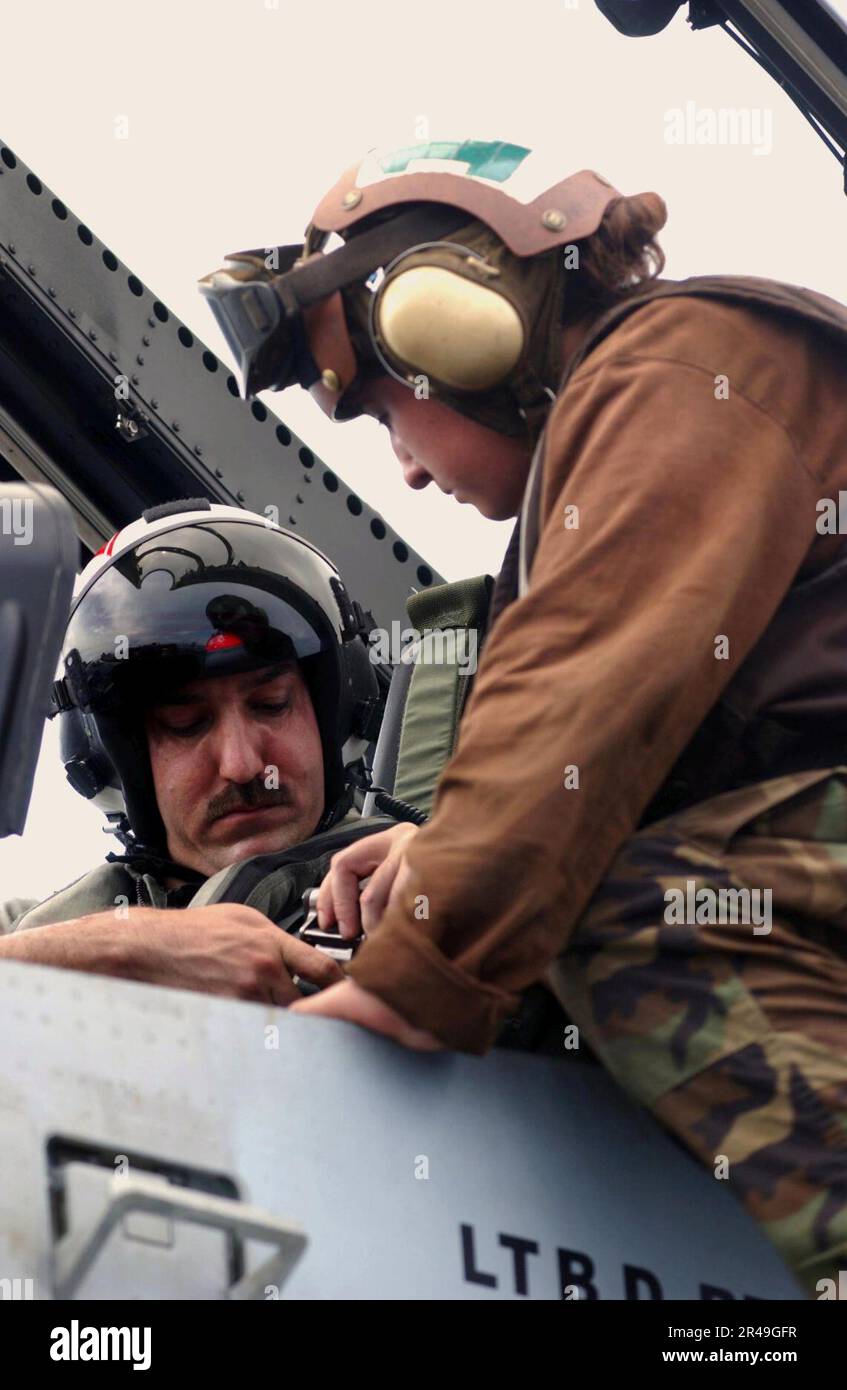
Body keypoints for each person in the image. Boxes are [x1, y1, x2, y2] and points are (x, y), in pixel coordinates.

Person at [201, 139, 847, 1291]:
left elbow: (585, 688)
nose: (401, 470)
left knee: (627, 910)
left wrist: (404, 983)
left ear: (452, 325)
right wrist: (444, 852)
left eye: (380, 412)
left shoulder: (680, 368)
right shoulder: (627, 428)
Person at [0, 500, 412, 1020]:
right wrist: (128, 949)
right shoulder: (39, 929)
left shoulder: (425, 878)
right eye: (185, 725)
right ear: (110, 760)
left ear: (338, 711)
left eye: (271, 705)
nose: (242, 766)